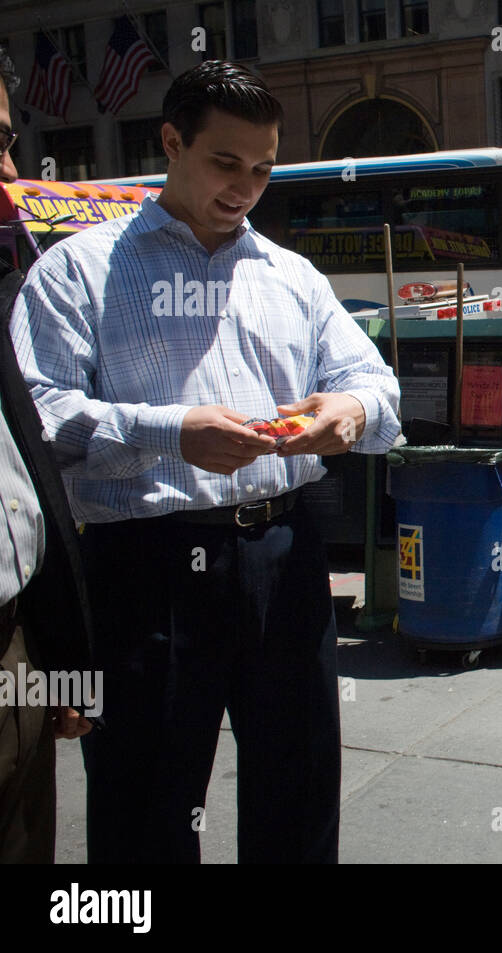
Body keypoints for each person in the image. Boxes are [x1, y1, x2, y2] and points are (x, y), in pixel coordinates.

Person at [10, 60, 402, 863]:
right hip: (144, 567)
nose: (247, 187)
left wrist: (348, 412)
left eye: (263, 169)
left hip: (283, 558)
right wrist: (170, 431)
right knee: (144, 806)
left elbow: (375, 385)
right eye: (226, 163)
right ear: (171, 141)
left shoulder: (291, 277)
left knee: (296, 798)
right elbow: (39, 418)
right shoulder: (78, 272)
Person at [0, 44, 95, 864]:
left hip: (19, 653)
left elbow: (30, 498)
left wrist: (65, 671)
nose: (6, 178)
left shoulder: (6, 296)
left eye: (5, 145)